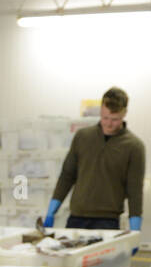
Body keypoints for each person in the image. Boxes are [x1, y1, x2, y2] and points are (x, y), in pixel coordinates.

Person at [44, 87, 145, 242]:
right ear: (100, 111)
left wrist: (135, 232)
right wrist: (51, 211)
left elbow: (135, 191)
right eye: (105, 118)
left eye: (114, 119)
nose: (109, 124)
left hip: (108, 221)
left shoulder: (134, 147)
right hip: (77, 217)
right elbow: (67, 176)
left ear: (124, 113)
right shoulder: (83, 137)